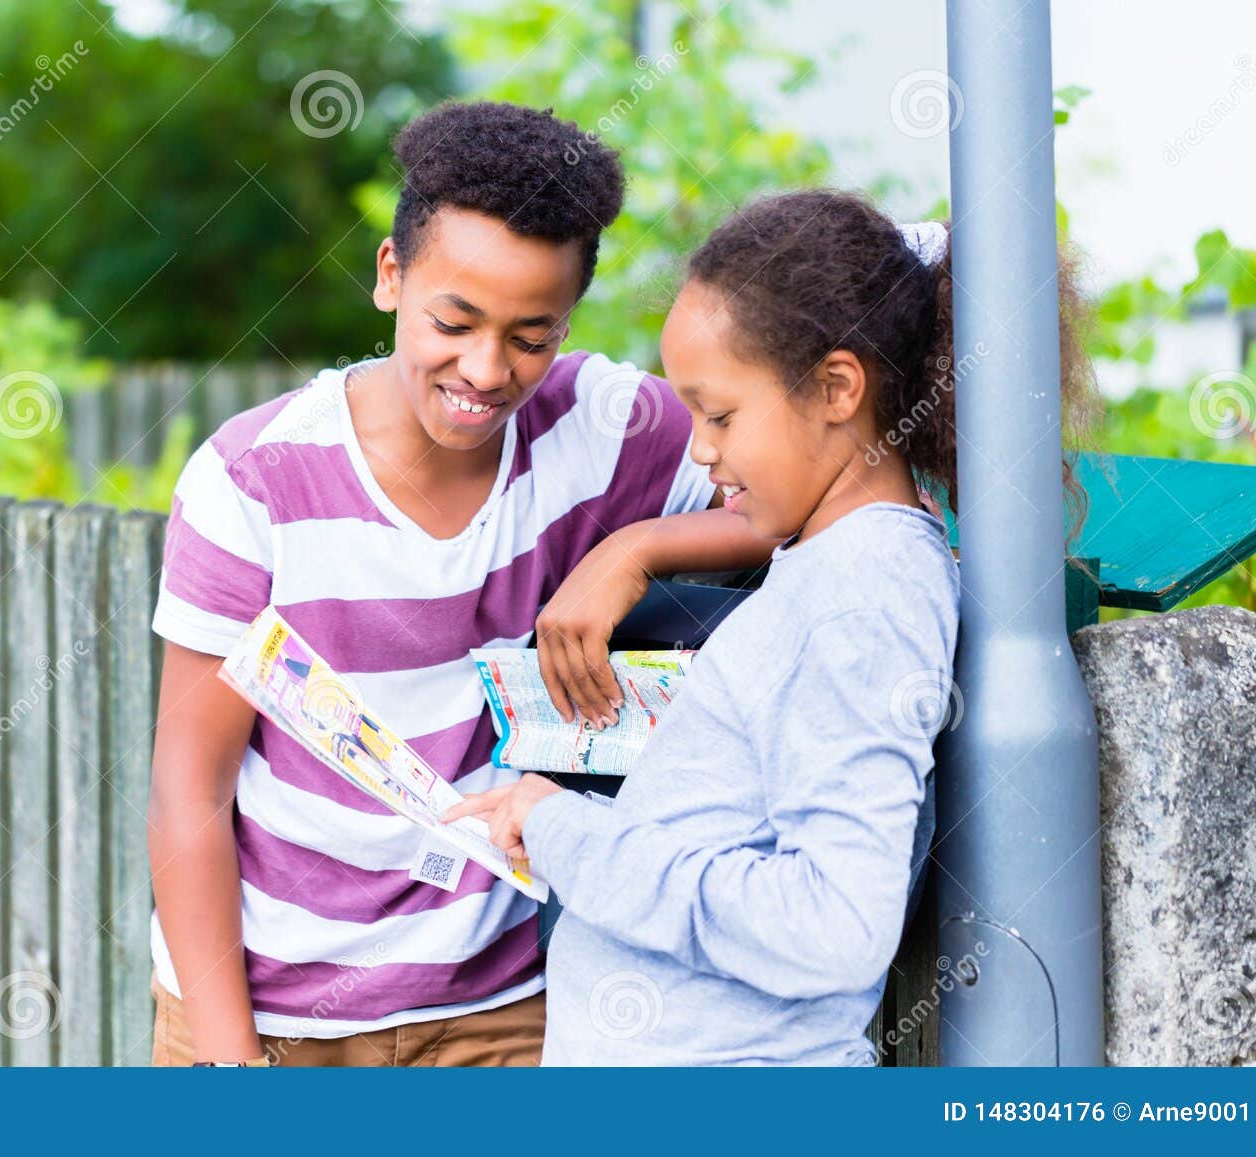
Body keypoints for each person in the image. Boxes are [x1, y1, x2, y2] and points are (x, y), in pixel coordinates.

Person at [147, 101, 780, 1068]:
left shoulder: (603, 428)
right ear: (391, 276)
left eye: (532, 336)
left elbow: (789, 497)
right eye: (455, 321)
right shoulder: (254, 484)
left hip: (497, 1011)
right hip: (265, 1016)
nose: (486, 371)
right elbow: (189, 793)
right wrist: (231, 1067)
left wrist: (633, 552)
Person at [446, 189, 1096, 1065]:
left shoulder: (862, 599)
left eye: (719, 415)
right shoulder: (829, 562)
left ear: (836, 388)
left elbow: (836, 924)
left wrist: (566, 828)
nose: (701, 450)